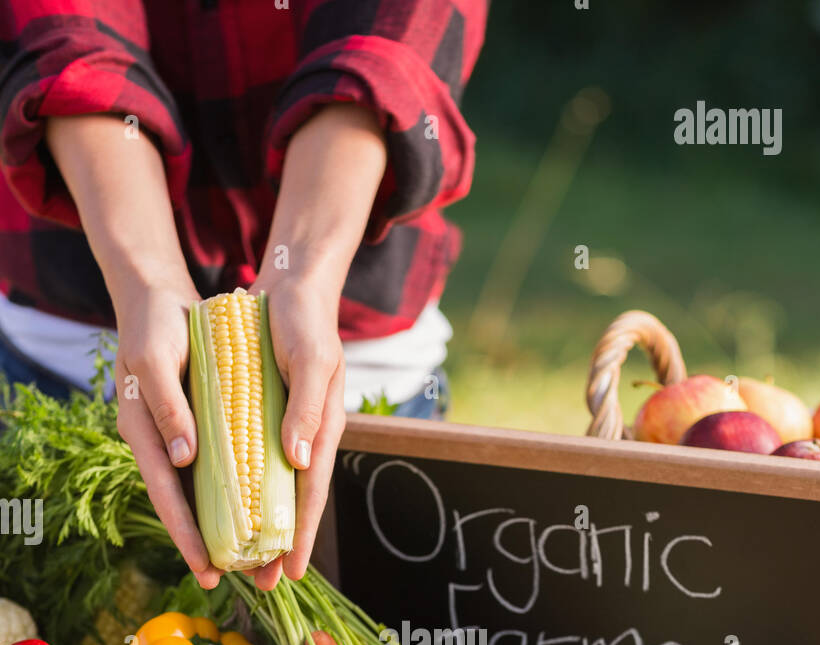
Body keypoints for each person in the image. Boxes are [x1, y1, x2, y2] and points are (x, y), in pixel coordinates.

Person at [0, 1, 487, 588]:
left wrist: (304, 272)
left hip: (364, 382)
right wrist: (146, 279)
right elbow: (71, 44)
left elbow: (385, 45)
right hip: (64, 381)